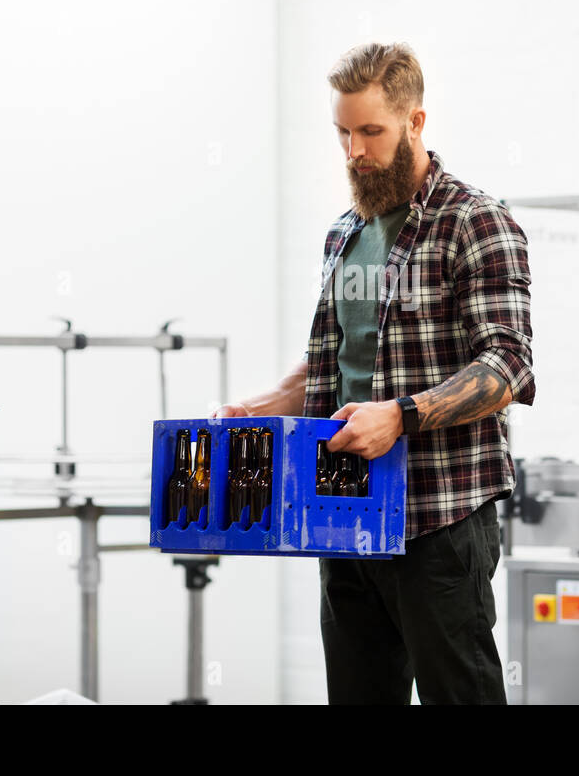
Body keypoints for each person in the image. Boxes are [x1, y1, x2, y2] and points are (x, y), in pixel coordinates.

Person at [214, 42, 535, 704]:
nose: (354, 151)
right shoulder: (343, 235)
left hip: (438, 520)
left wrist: (402, 416)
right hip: (346, 510)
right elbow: (336, 361)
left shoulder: (475, 222)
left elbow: (506, 362)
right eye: (343, 133)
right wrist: (268, 402)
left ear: (415, 123)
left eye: (370, 132)